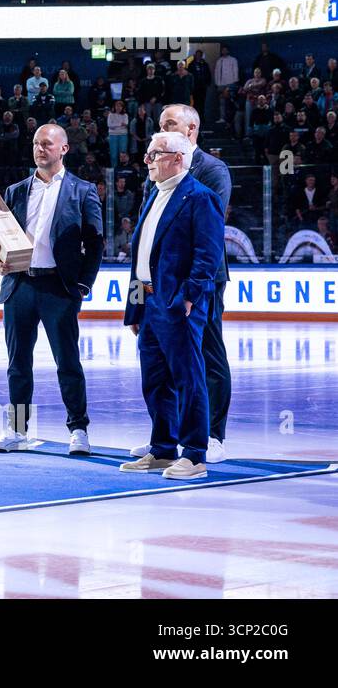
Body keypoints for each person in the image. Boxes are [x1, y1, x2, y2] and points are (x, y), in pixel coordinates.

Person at [0, 123, 103, 454]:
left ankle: (78, 429)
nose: (40, 149)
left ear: (63, 149)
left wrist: (82, 285)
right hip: (19, 285)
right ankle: (17, 430)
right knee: (18, 363)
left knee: (67, 361)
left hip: (58, 287)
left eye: (47, 144)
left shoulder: (83, 190)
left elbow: (95, 243)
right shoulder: (15, 191)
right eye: (37, 143)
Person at [130, 104, 233, 464]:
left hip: (191, 289)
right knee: (157, 373)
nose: (148, 159)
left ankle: (207, 439)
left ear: (188, 134)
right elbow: (143, 247)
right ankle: (163, 444)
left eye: (168, 125)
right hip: (154, 293)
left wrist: (190, 294)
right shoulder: (155, 183)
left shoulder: (210, 174)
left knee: (203, 360)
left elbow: (207, 242)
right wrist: (135, 304)